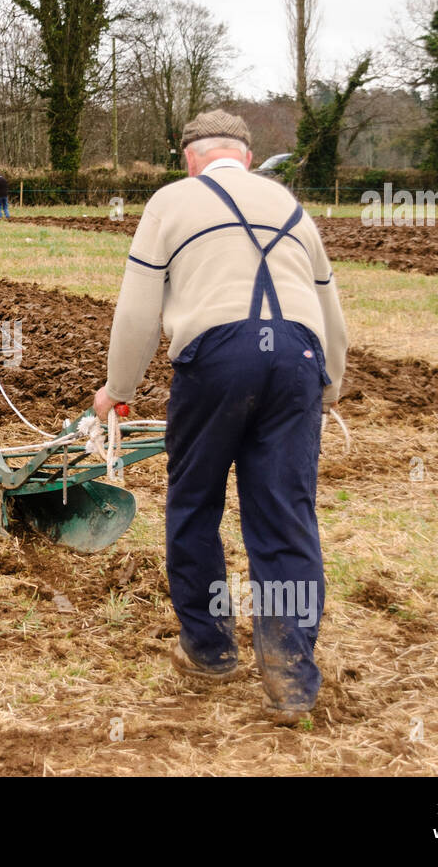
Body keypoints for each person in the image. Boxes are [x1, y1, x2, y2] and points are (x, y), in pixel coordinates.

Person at [92, 110, 348, 726]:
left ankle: (209, 650)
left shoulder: (170, 203)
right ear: (248, 158)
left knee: (196, 504)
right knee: (285, 515)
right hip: (297, 360)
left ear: (190, 158)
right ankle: (290, 671)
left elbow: (137, 309)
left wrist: (117, 388)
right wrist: (329, 388)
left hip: (217, 359)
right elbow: (329, 308)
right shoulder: (289, 205)